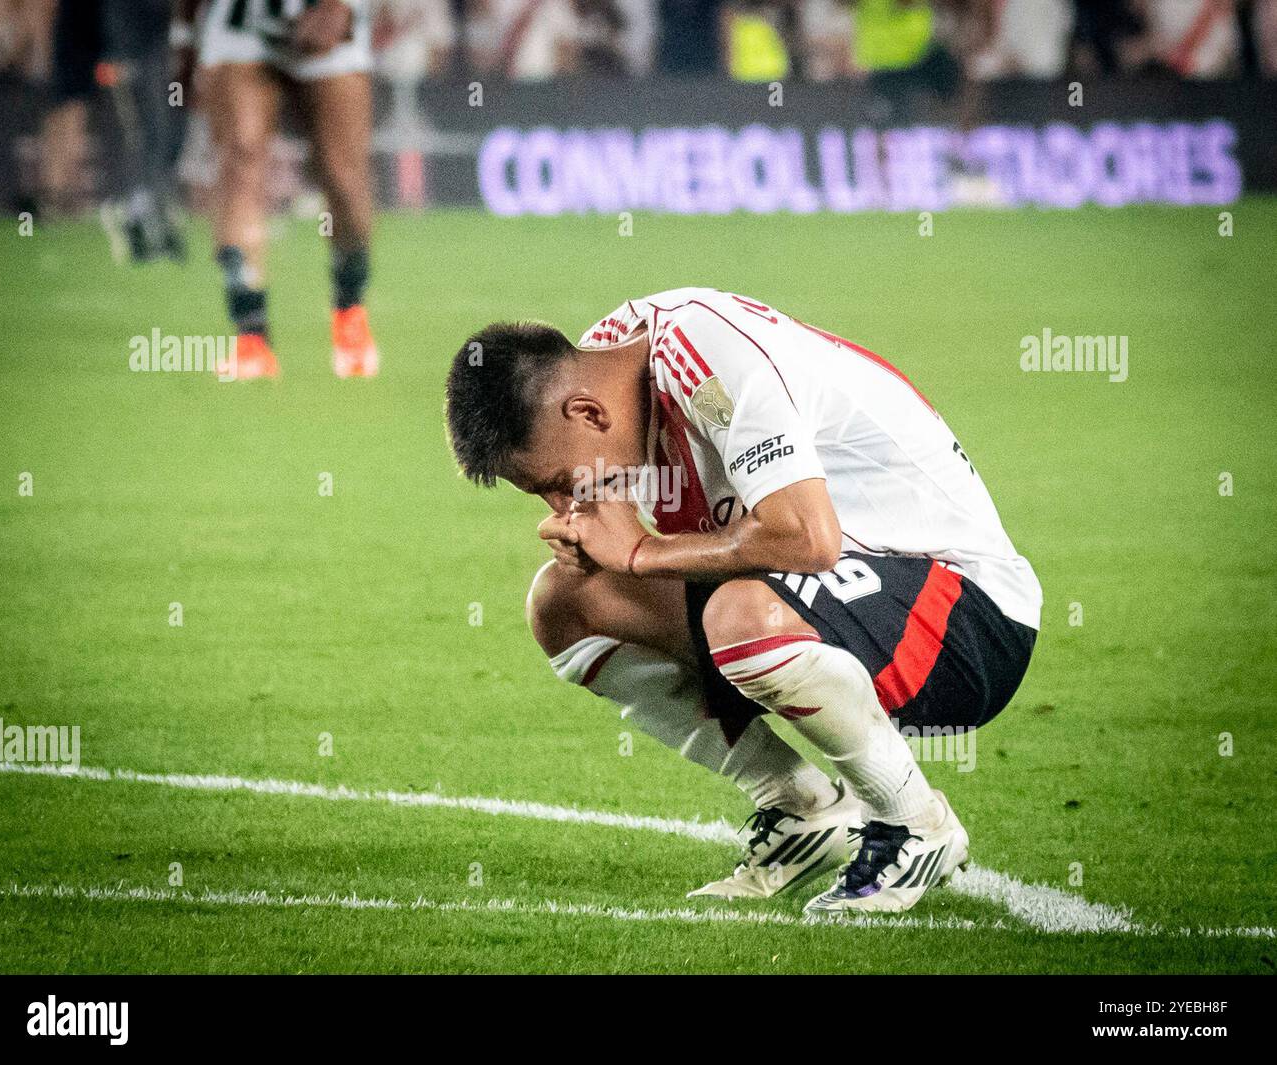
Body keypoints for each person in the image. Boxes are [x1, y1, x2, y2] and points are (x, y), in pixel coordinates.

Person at [444, 288, 1042, 914]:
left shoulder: (713, 364)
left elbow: (807, 538)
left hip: (965, 613)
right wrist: (602, 539)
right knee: (565, 603)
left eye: (559, 485)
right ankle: (803, 808)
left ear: (588, 414)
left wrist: (641, 553)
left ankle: (915, 824)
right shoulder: (609, 374)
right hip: (850, 591)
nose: (564, 508)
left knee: (740, 616)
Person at [173, 0, 379, 378]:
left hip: (324, 13)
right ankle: (251, 334)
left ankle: (350, 307)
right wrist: (185, 39)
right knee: (241, 158)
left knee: (343, 177)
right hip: (243, 20)